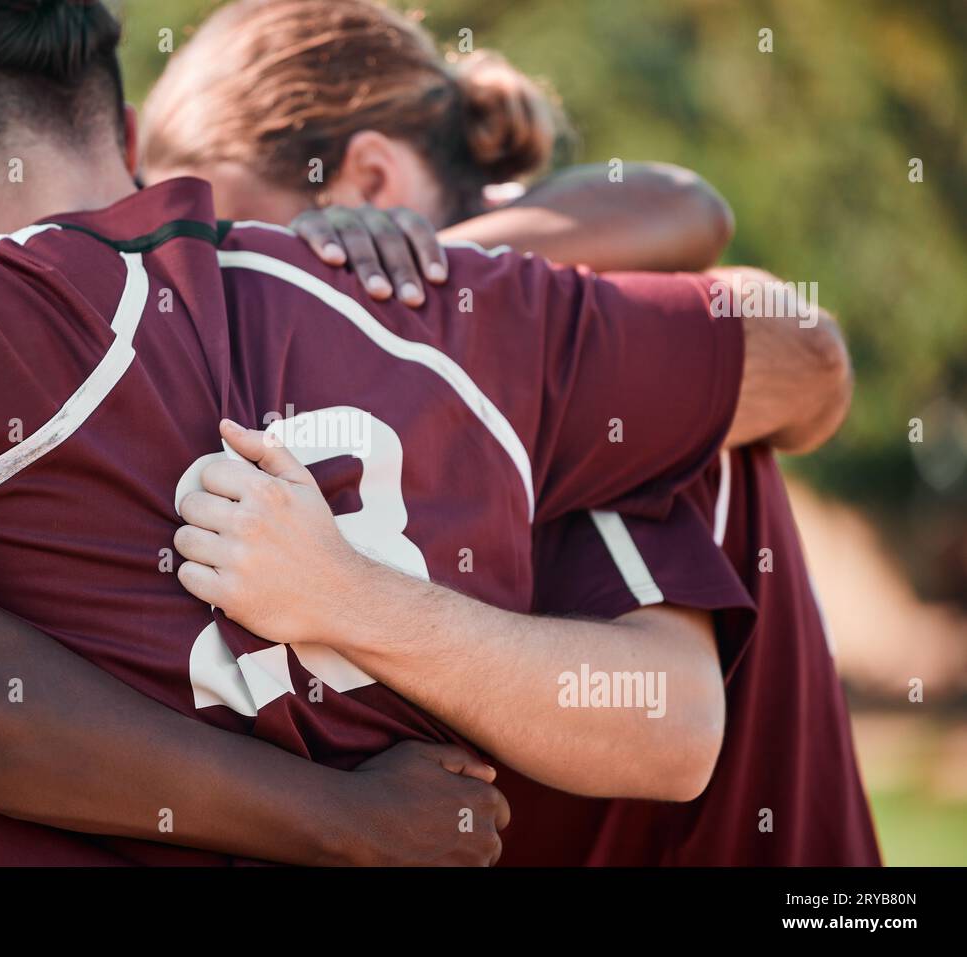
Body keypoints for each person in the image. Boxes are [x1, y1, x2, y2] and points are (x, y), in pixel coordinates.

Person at [0, 0, 845, 865]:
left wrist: (353, 598)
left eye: (221, 213)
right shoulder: (547, 345)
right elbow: (777, 321)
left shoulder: (525, 357)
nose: (203, 246)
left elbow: (670, 726)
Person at [144, 0, 879, 863]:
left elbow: (668, 719)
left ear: (370, 186)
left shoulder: (580, 353)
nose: (219, 287)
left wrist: (341, 595)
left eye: (242, 242)